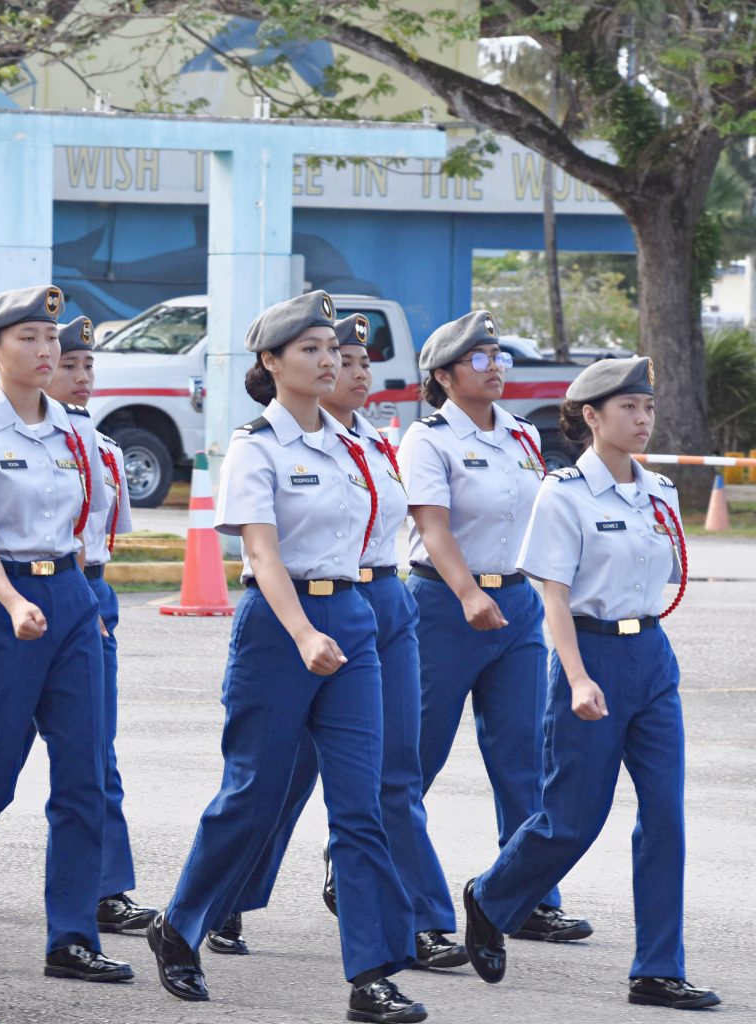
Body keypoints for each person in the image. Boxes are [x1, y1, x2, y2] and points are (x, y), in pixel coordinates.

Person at [145, 292, 425, 1024]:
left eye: (332, 349)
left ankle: (373, 976)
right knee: (253, 797)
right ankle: (180, 923)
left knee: (361, 807)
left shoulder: (355, 445)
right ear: (270, 363)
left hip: (353, 621)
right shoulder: (256, 447)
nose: (328, 359)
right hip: (279, 626)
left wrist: (346, 622)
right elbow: (262, 555)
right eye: (309, 350)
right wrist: (304, 632)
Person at [208, 313, 467, 971]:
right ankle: (226, 896)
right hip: (316, 604)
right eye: (337, 358)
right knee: (284, 775)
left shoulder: (377, 444)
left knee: (395, 772)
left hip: (385, 601)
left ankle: (423, 918)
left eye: (358, 361)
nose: (353, 372)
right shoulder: (281, 445)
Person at [463, 356, 719, 1011]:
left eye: (648, 408)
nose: (642, 419)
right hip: (590, 660)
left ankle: (657, 968)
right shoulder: (565, 493)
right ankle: (491, 898)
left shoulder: (659, 491)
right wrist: (576, 677)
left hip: (652, 661)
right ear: (590, 417)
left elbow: (659, 579)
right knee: (573, 821)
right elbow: (554, 597)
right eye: (628, 408)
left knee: (666, 818)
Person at [0, 285, 132, 984]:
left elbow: (90, 528)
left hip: (74, 596)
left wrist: (88, 601)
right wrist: (12, 600)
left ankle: (72, 937)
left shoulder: (79, 431)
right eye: (27, 338)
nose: (44, 350)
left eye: (50, 339)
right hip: (6, 603)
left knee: (85, 773)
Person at [398, 310, 592, 945]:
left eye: (499, 356)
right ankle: (376, 875)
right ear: (445, 375)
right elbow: (433, 528)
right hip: (442, 608)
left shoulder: (522, 436)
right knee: (415, 757)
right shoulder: (429, 440)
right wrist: (466, 593)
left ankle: (524, 896)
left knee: (522, 758)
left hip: (516, 609)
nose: (496, 368)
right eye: (480, 359)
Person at [42, 314, 156, 935]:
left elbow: (105, 540)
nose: (81, 376)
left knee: (93, 756)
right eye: (70, 364)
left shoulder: (106, 449)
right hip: (33, 591)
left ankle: (105, 888)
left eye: (88, 366)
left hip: (92, 592)